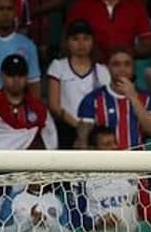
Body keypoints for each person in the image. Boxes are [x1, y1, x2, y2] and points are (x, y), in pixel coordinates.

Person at [75, 48, 151, 150]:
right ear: (107, 67)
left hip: (137, 162)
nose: (122, 69)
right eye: (116, 64)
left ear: (134, 67)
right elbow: (83, 140)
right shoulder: (92, 99)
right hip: (104, 163)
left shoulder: (147, 98)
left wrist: (133, 97)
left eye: (127, 64)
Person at [46, 20, 110, 149]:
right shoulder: (58, 66)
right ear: (67, 42)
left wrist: (88, 129)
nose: (81, 44)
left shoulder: (102, 70)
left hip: (95, 131)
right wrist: (77, 125)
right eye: (75, 39)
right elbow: (54, 105)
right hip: (66, 128)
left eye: (86, 39)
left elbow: (105, 103)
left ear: (92, 41)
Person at [66, 0, 151, 64]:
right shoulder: (82, 6)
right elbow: (66, 42)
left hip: (123, 72)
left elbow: (148, 46)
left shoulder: (136, 7)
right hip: (90, 69)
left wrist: (122, 54)